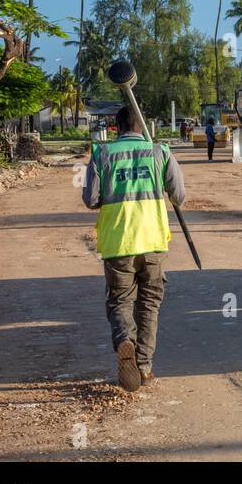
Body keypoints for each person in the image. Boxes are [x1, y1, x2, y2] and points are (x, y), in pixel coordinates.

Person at [82, 105, 186, 392]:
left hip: (118, 243)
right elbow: (179, 195)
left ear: (115, 127)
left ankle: (123, 340)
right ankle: (144, 366)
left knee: (120, 301)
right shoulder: (160, 152)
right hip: (153, 241)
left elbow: (90, 199)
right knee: (149, 304)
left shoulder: (101, 154)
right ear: (143, 125)